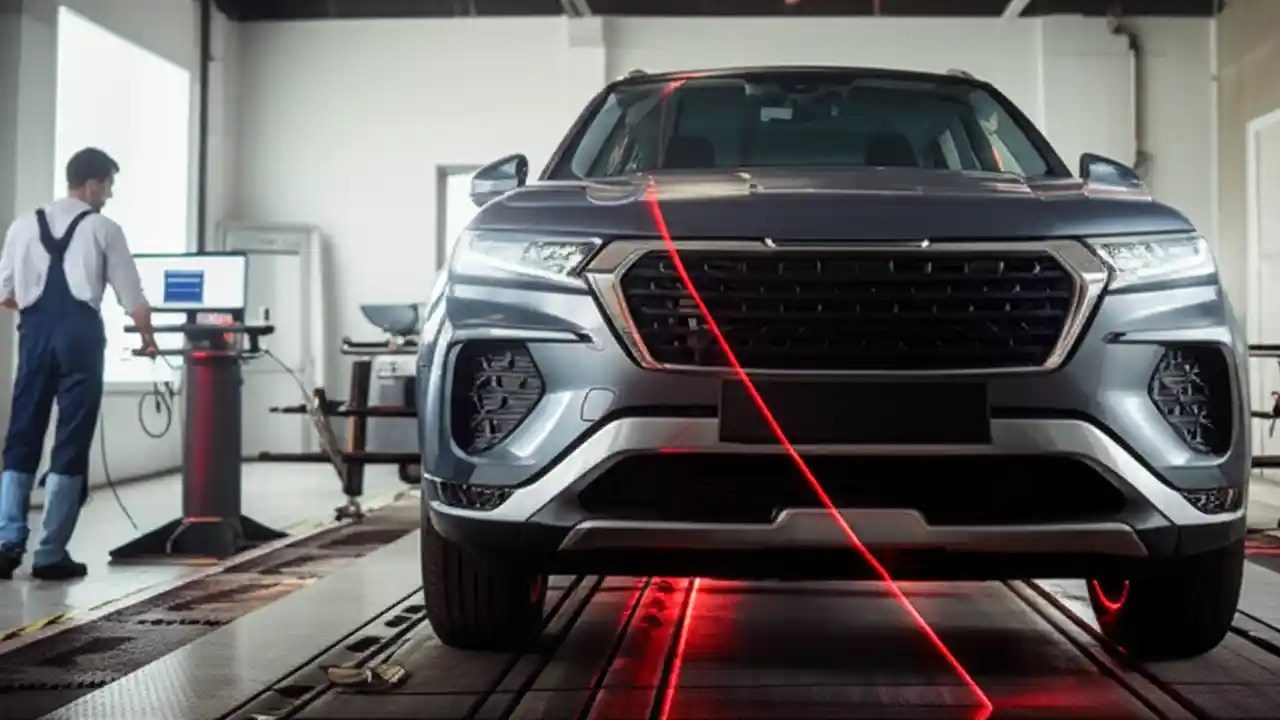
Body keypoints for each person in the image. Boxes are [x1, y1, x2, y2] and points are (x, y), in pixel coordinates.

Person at [0, 147, 157, 580]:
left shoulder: (21, 226)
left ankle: (6, 543)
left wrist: (37, 317)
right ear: (93, 184)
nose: (108, 196)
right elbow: (133, 298)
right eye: (108, 187)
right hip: (80, 338)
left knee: (22, 434)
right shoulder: (104, 228)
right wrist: (148, 340)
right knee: (71, 437)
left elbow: (5, 292)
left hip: (34, 335)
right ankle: (50, 553)